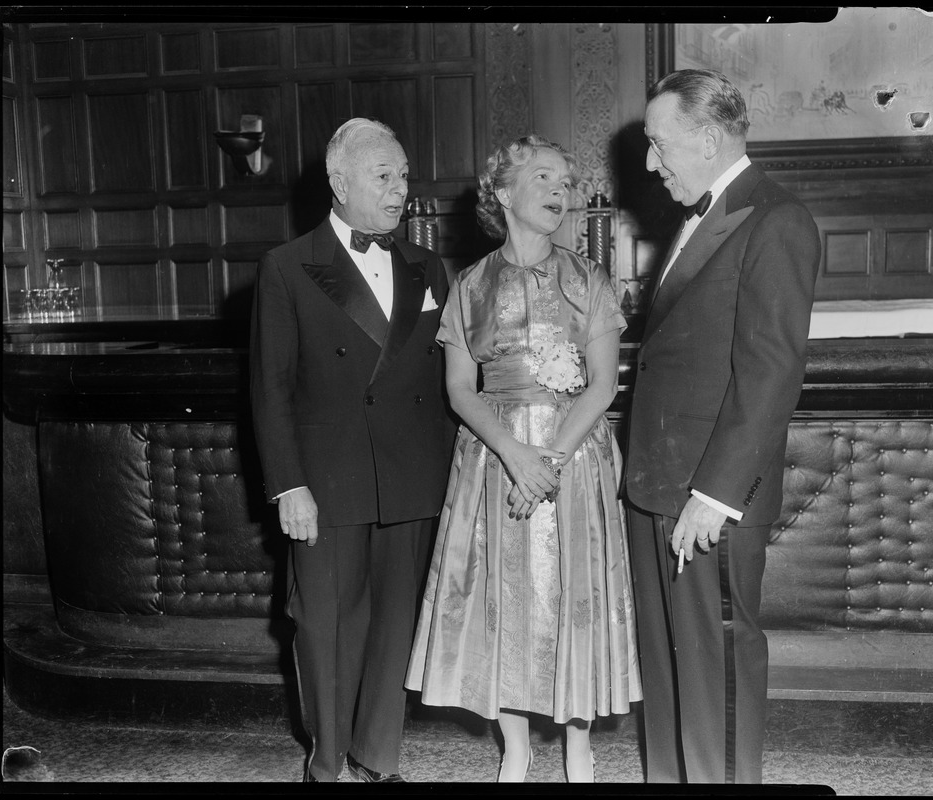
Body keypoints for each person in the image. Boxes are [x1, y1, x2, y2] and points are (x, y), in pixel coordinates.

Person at [405, 134, 642, 783]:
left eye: (565, 181)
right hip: (493, 455)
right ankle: (515, 745)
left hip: (573, 454)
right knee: (502, 597)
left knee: (574, 591)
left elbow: (602, 383)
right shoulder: (471, 284)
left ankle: (578, 743)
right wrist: (514, 454)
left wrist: (551, 460)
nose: (560, 191)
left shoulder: (588, 277)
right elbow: (459, 388)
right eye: (543, 178)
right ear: (504, 194)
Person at [623, 69, 821, 784]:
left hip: (708, 494)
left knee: (717, 665)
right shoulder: (695, 216)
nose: (649, 163)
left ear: (705, 139)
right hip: (657, 482)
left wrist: (714, 494)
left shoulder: (776, 218)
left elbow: (771, 370)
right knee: (669, 662)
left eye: (656, 145)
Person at [249, 118, 455, 783]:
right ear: (338, 182)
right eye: (383, 176)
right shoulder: (287, 267)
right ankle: (327, 762)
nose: (400, 190)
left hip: (412, 476)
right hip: (327, 480)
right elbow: (269, 387)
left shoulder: (426, 266)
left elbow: (445, 380)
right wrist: (288, 486)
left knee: (396, 626)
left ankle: (376, 758)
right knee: (325, 628)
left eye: (402, 176)